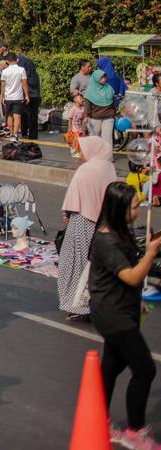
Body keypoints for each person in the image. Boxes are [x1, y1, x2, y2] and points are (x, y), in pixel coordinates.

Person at [89, 182, 161, 448]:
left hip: (120, 309)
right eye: (134, 207)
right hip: (113, 315)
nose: (138, 211)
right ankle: (135, 431)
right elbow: (131, 277)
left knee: (112, 366)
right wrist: (151, 254)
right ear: (120, 209)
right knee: (144, 370)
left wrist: (137, 300)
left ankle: (100, 420)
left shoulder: (120, 232)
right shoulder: (106, 239)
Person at [57, 136, 118, 321]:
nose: (81, 153)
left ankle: (76, 306)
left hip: (82, 220)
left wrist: (67, 214)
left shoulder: (86, 169)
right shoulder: (109, 168)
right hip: (103, 223)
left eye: (83, 149)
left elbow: (73, 198)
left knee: (74, 263)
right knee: (96, 265)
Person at [84, 68, 118, 147]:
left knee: (107, 138)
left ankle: (107, 157)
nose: (104, 79)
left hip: (108, 117)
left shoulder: (109, 88)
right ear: (96, 79)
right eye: (101, 77)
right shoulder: (90, 91)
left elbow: (113, 103)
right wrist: (86, 116)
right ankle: (95, 156)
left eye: (105, 77)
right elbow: (87, 105)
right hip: (95, 118)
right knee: (95, 138)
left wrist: (115, 114)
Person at [0, 57, 28, 139]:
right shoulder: (21, 69)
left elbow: (3, 84)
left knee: (9, 116)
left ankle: (11, 133)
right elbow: (24, 83)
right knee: (17, 116)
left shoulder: (4, 71)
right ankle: (15, 134)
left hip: (8, 97)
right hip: (18, 97)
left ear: (7, 61)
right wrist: (27, 95)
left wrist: (2, 95)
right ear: (17, 60)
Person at [67, 92, 87, 158]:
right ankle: (73, 152)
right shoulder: (73, 109)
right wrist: (69, 128)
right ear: (75, 100)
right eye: (80, 98)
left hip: (79, 127)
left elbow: (84, 118)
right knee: (76, 139)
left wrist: (85, 120)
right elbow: (70, 118)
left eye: (82, 98)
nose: (82, 100)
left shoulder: (83, 109)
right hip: (74, 127)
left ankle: (77, 151)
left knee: (80, 140)